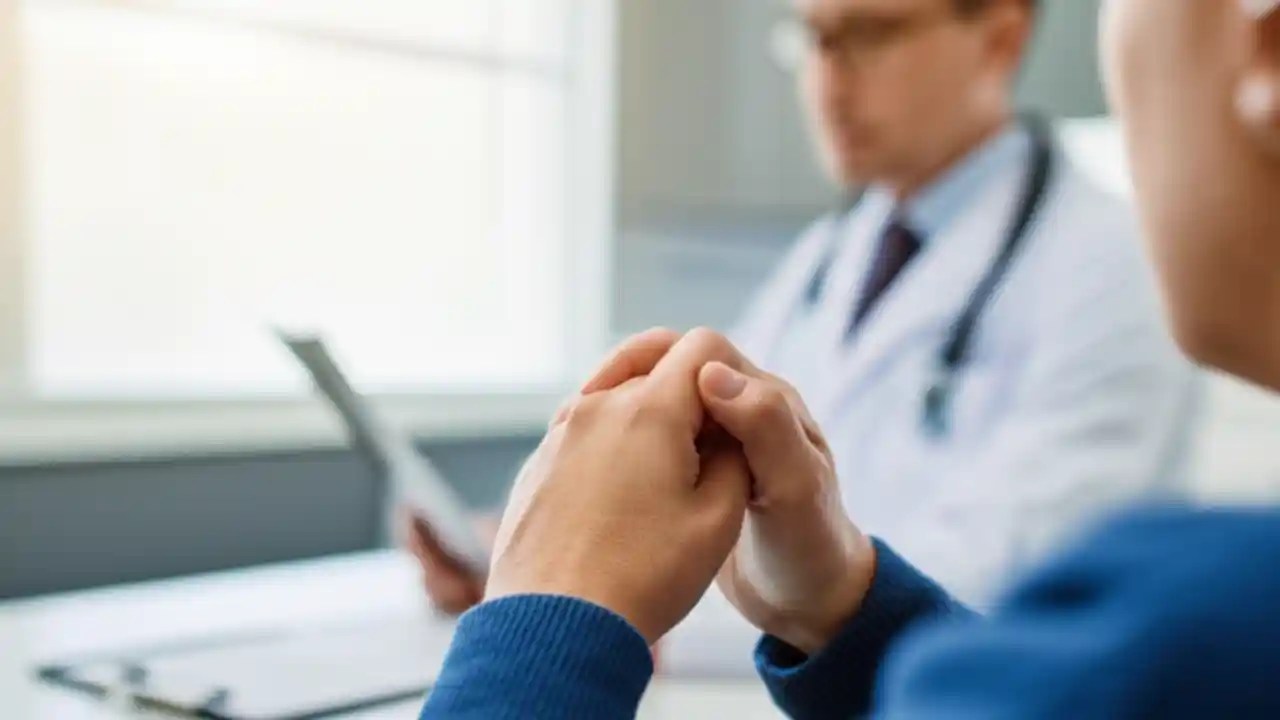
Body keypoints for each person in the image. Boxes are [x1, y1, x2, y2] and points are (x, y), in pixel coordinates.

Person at [419, 0, 1280, 717]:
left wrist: (565, 608)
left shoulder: (1106, 261)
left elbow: (1028, 607)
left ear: (1000, 38)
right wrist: (834, 602)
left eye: (870, 33)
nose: (829, 78)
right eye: (814, 37)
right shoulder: (830, 253)